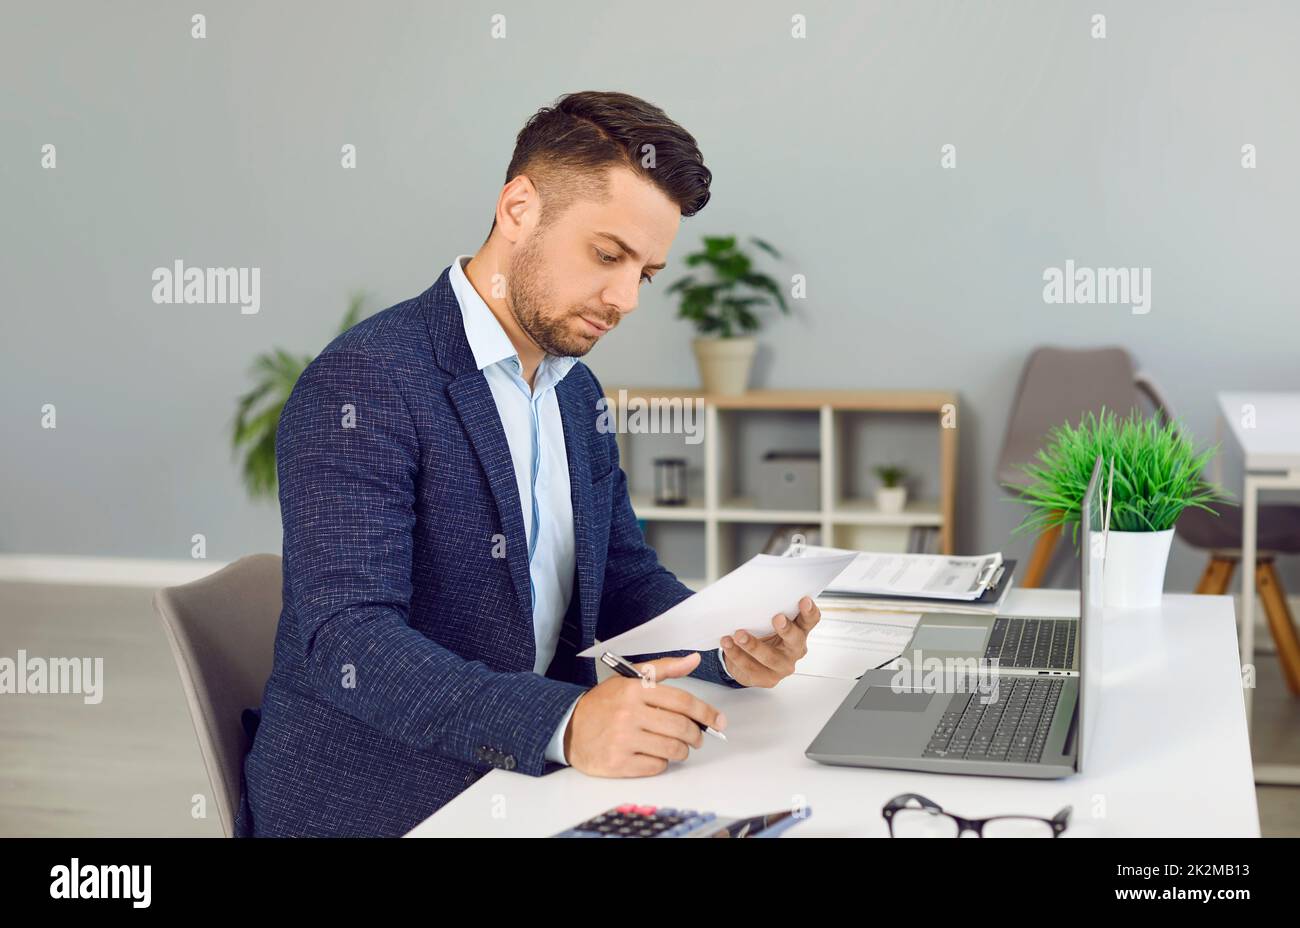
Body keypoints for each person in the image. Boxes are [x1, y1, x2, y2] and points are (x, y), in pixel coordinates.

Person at [237, 90, 822, 837]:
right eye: (607, 255)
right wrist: (567, 722)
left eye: (644, 273)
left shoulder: (573, 390)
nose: (624, 299)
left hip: (529, 778)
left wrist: (726, 648)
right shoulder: (367, 382)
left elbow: (620, 580)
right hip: (385, 801)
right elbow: (346, 639)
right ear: (518, 208)